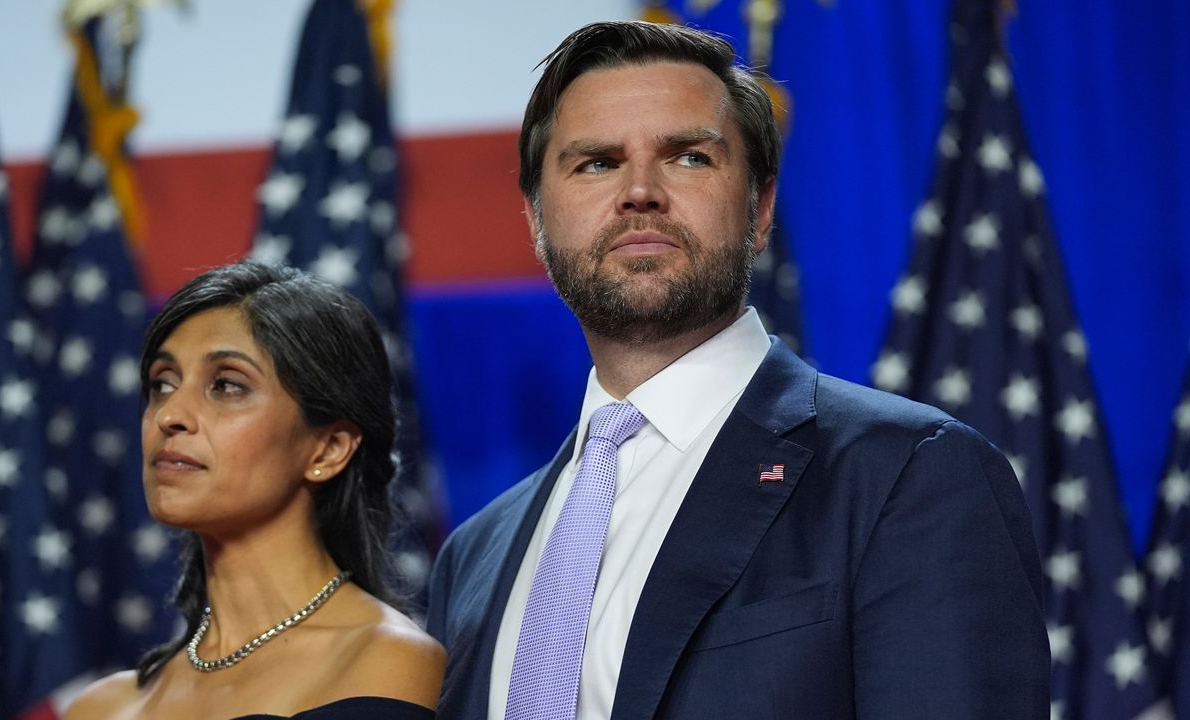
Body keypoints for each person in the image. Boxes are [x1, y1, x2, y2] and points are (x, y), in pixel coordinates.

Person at [426, 20, 1048, 720]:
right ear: (537, 223)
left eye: (688, 157)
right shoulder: (472, 557)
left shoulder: (906, 477)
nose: (639, 192)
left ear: (760, 210)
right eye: (595, 162)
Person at [65, 261, 445, 719]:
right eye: (162, 384)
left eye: (226, 385)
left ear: (328, 449)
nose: (170, 415)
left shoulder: (385, 661)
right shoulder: (100, 707)